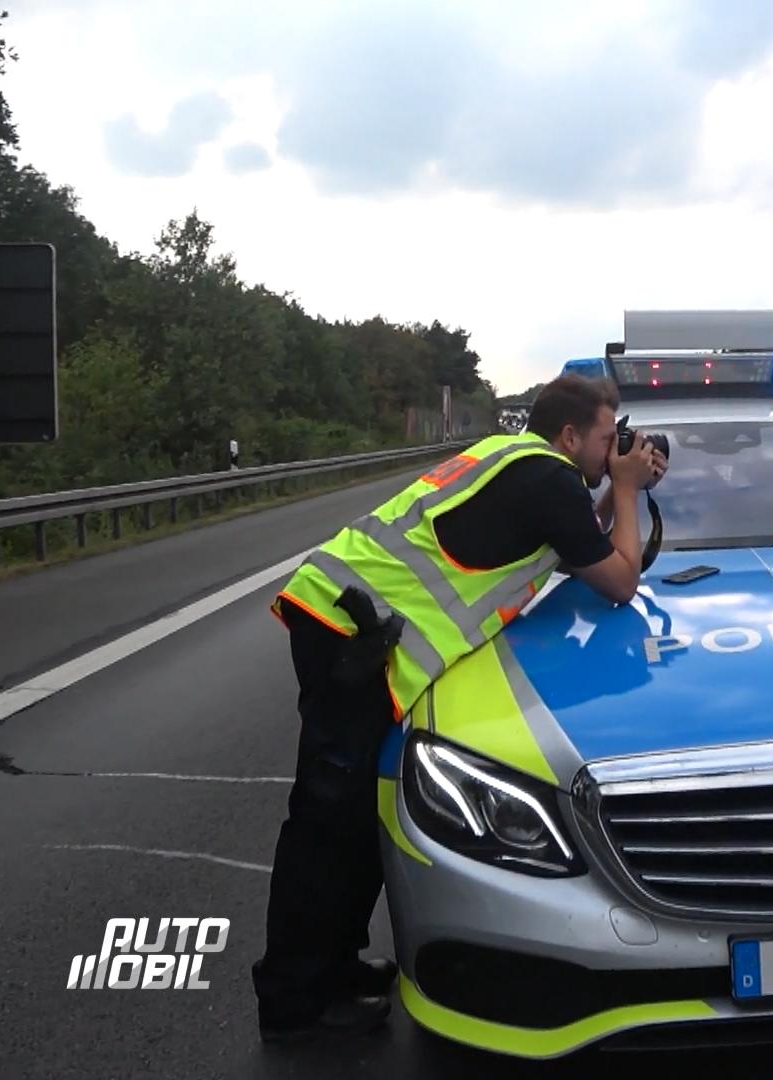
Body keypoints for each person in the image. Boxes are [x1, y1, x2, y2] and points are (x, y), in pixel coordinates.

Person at [251, 373, 665, 1042]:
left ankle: (334, 966)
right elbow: (619, 580)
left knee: (356, 819)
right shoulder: (547, 477)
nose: (609, 449)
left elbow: (578, 545)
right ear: (568, 437)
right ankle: (294, 999)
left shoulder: (521, 464)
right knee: (325, 828)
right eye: (602, 438)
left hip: (348, 628)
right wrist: (625, 487)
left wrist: (615, 487)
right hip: (348, 635)